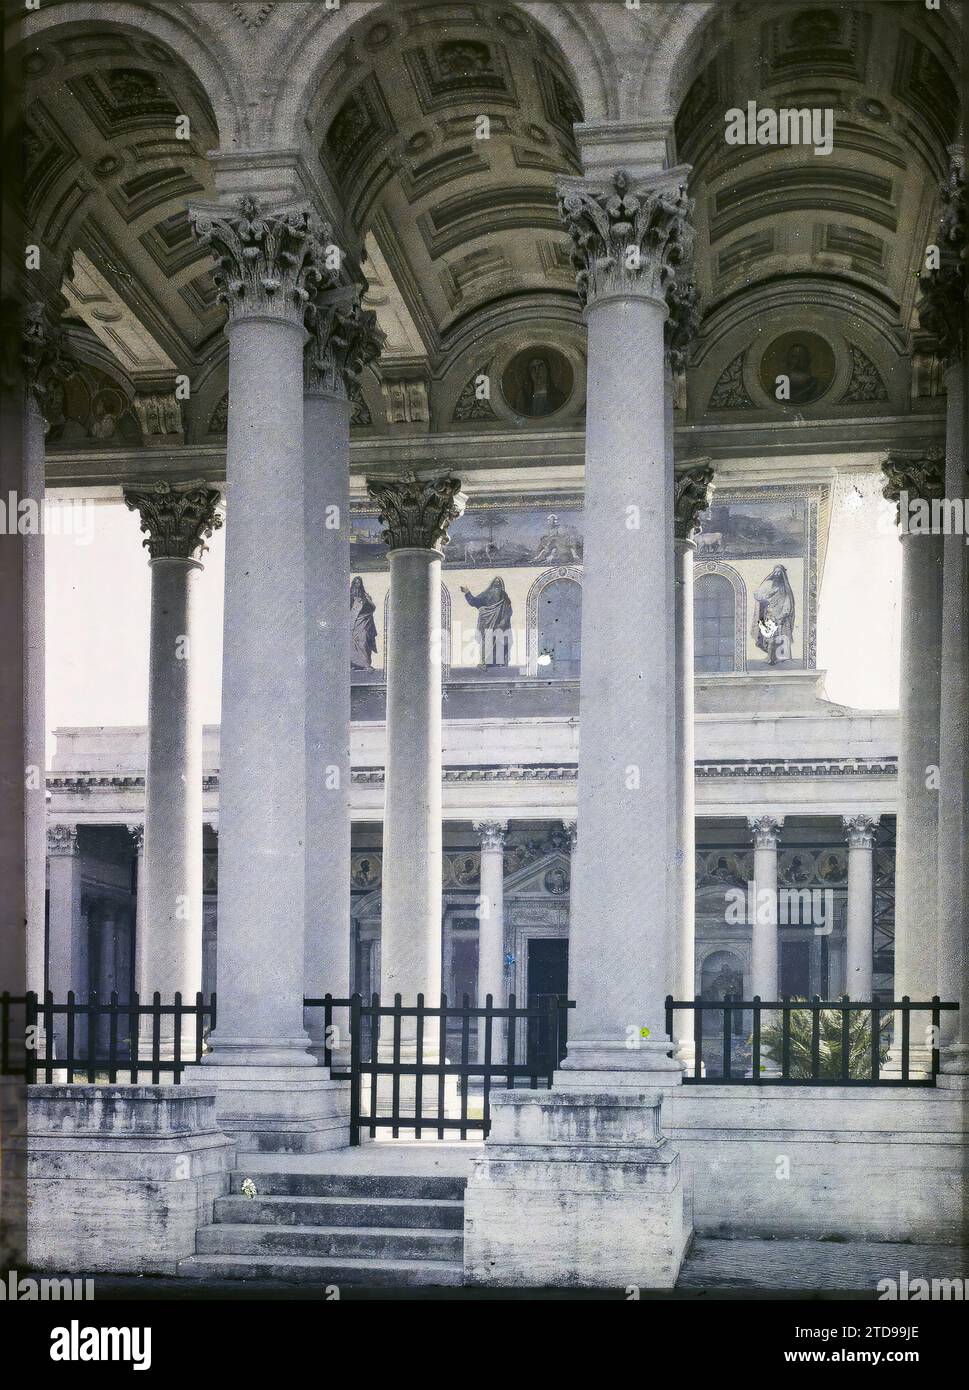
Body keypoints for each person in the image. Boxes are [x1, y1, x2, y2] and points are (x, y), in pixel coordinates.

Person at [460, 575, 513, 667]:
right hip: (487, 624)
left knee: (500, 643)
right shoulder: (486, 593)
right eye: (495, 582)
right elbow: (474, 602)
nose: (497, 584)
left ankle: (499, 663)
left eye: (499, 583)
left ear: (501, 585)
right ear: (492, 584)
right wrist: (467, 592)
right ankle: (485, 663)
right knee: (487, 643)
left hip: (500, 625)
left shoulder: (504, 596)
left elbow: (509, 610)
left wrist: (503, 621)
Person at [350, 576, 377, 670]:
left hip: (365, 623)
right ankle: (355, 664)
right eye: (356, 583)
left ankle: (366, 664)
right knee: (353, 643)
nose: (358, 584)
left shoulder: (365, 596)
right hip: (354, 623)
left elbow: (372, 607)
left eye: (359, 583)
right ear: (353, 584)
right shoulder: (349, 596)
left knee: (364, 641)